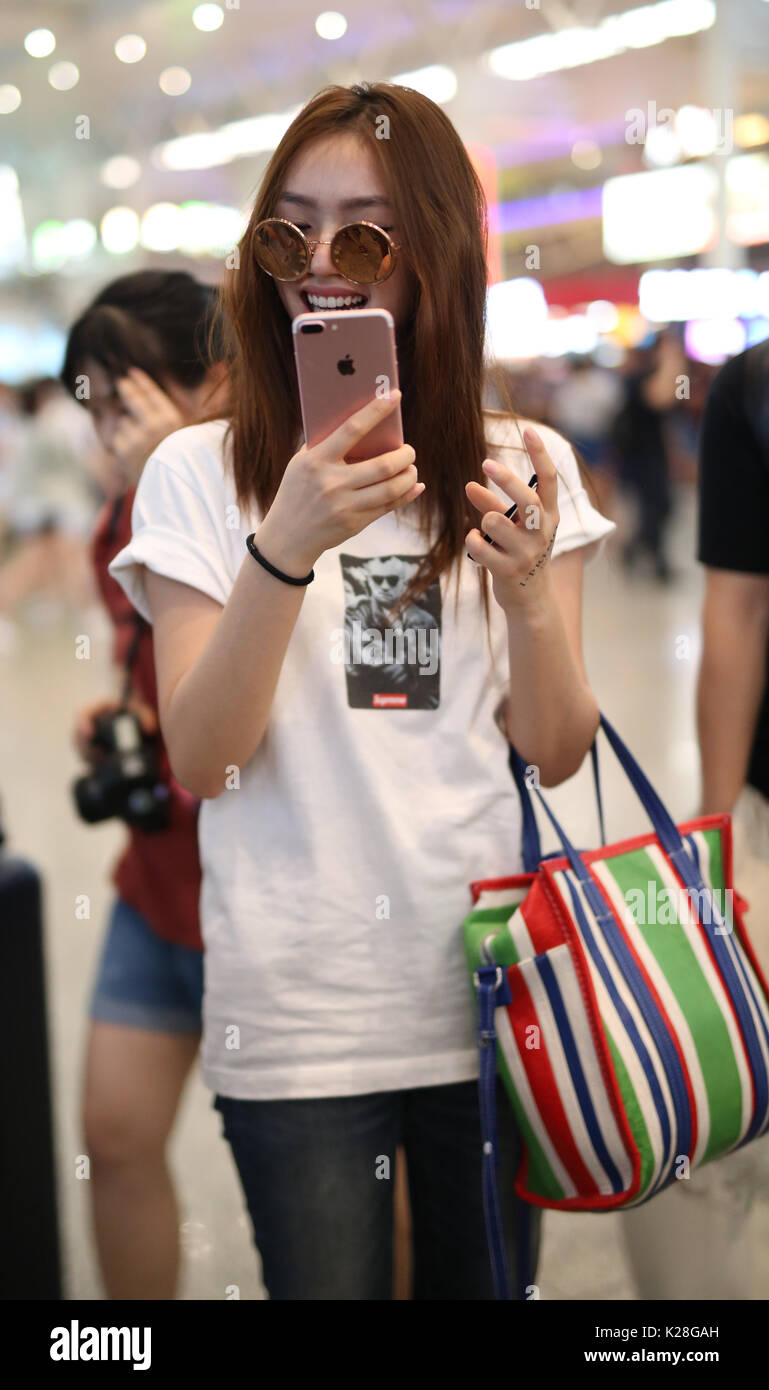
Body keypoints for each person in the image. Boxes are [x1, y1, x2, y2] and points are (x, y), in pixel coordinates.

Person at [109, 82, 614, 1301]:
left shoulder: (523, 462)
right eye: (289, 232)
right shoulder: (197, 474)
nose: (321, 266)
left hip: (490, 1002)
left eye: (367, 235)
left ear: (436, 255)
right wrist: (281, 547)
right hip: (295, 1020)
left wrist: (532, 594)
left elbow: (552, 752)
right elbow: (204, 760)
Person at [61, 271, 229, 1299]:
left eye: (124, 404)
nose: (106, 436)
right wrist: (120, 721)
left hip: (257, 893)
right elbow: (160, 678)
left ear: (213, 382)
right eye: (95, 410)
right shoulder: (113, 525)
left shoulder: (275, 510)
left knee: (320, 1183)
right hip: (155, 877)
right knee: (112, 1134)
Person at [620, 337, 769, 1301]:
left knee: (701, 1131)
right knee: (699, 1127)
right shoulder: (753, 390)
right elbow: (737, 609)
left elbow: (738, 610)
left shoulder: (753, 386)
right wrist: (712, 831)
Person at [610, 333, 685, 582]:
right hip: (638, 457)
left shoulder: (656, 376)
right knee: (655, 506)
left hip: (655, 455)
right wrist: (673, 361)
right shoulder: (635, 379)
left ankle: (637, 550)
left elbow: (679, 398)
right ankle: (654, 558)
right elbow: (659, 399)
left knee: (661, 506)